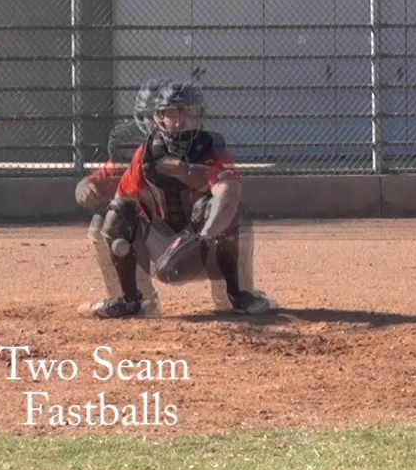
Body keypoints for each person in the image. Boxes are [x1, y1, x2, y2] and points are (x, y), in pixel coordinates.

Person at [87, 80, 273, 319]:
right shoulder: (146, 154)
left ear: (200, 116)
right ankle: (131, 300)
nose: (179, 121)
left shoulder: (211, 149)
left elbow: (228, 194)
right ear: (159, 118)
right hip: (161, 251)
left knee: (235, 213)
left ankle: (237, 295)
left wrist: (203, 236)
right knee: (113, 215)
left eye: (188, 113)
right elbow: (121, 203)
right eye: (171, 114)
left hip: (205, 248)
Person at [74, 78, 171, 317]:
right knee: (102, 225)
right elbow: (104, 176)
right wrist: (84, 187)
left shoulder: (185, 143)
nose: (153, 123)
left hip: (179, 226)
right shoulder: (129, 144)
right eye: (149, 116)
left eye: (161, 115)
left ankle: (232, 299)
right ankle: (132, 299)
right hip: (147, 224)